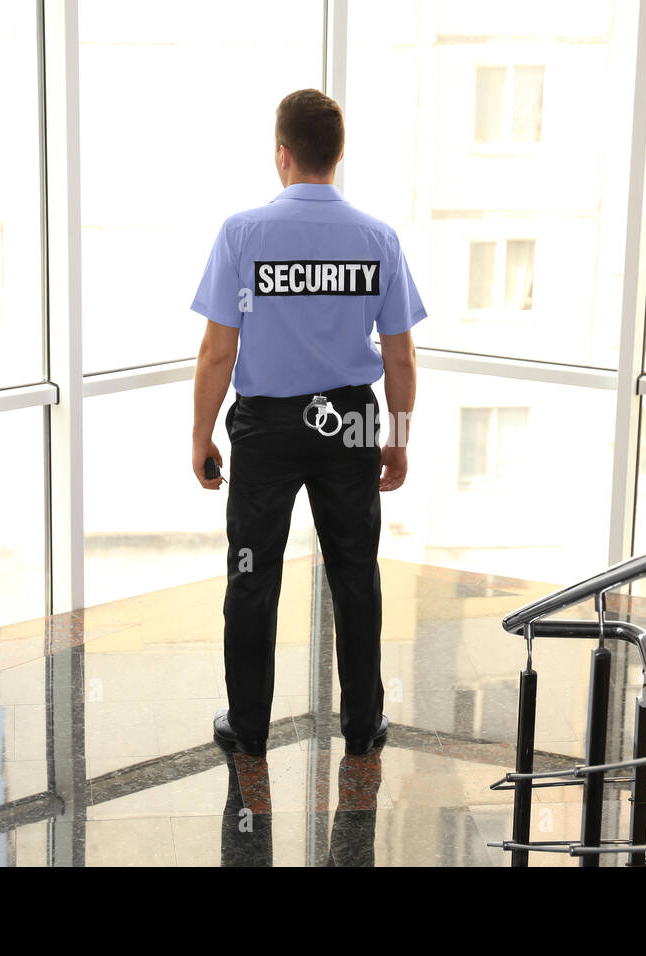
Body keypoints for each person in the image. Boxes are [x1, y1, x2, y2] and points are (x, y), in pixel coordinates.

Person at [189, 88, 426, 757]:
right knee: (356, 574)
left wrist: (202, 433)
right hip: (348, 421)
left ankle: (250, 726)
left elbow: (217, 351)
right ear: (337, 154)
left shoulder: (242, 234)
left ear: (282, 155)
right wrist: (397, 440)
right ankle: (362, 726)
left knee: (252, 573)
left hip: (265, 429)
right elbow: (402, 354)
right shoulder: (377, 239)